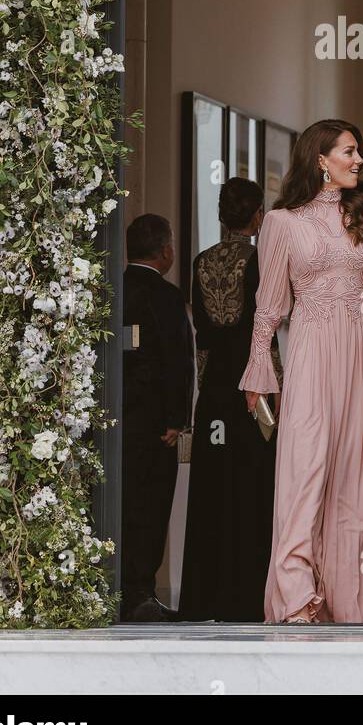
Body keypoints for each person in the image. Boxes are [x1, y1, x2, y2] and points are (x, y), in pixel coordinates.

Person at [239, 119, 363, 624]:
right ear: (321, 160)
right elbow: (268, 307)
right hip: (310, 353)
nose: (358, 160)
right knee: (305, 471)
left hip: (358, 353)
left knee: (356, 479)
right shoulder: (282, 223)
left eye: (358, 152)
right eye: (349, 152)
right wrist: (258, 370)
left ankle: (354, 599)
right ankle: (295, 597)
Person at [178, 177, 279, 621]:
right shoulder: (262, 260)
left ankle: (205, 596)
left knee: (212, 492)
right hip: (254, 390)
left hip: (216, 389)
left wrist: (206, 391)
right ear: (257, 215)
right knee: (254, 489)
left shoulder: (200, 262)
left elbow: (202, 339)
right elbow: (266, 333)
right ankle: (248, 596)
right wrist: (278, 391)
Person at [121, 214, 194, 622]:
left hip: (115, 423)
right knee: (150, 508)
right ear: (166, 252)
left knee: (119, 503)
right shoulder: (167, 297)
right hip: (155, 425)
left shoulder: (112, 290)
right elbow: (178, 362)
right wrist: (177, 418)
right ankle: (139, 592)